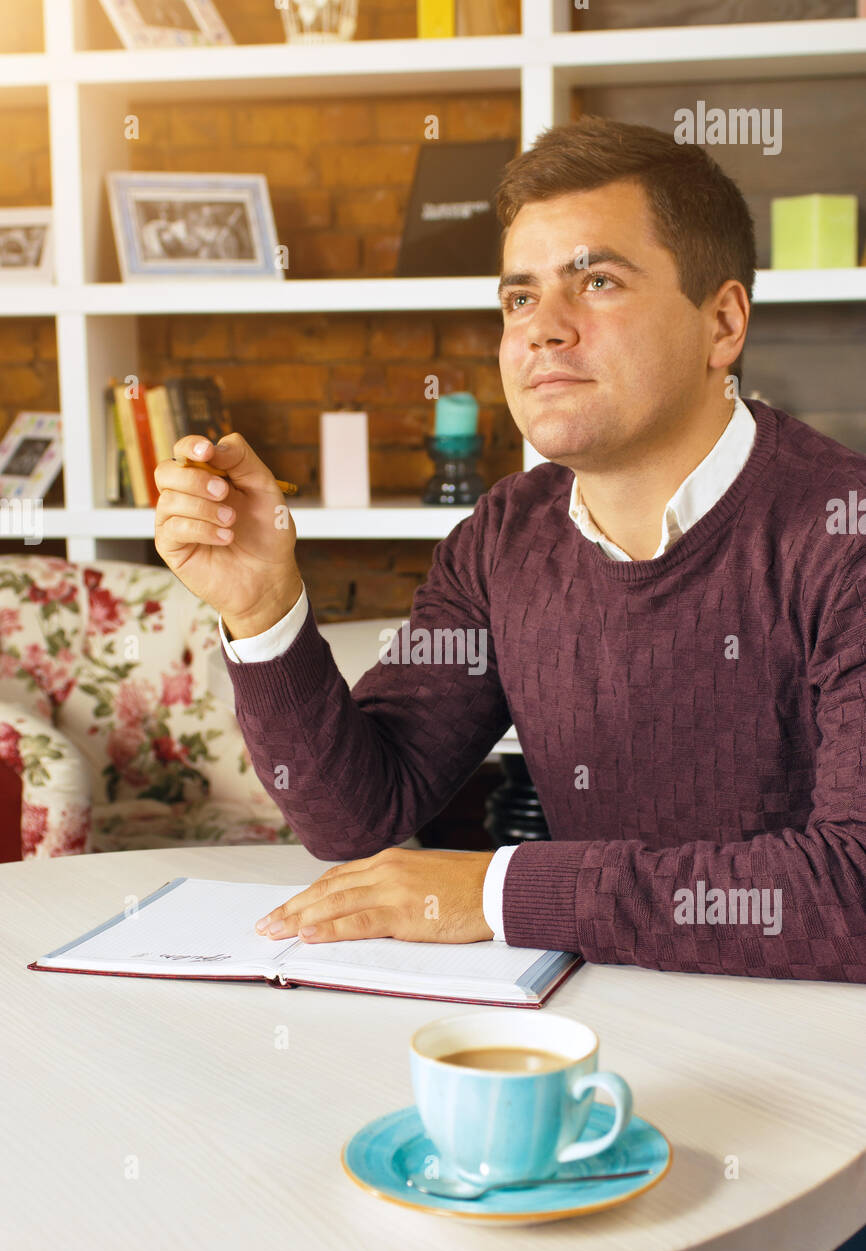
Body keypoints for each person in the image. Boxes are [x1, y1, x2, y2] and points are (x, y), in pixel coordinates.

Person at [153, 114, 866, 984]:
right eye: (519, 297)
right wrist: (262, 610)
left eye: (596, 281)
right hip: (601, 1018)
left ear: (722, 325)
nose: (542, 330)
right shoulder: (502, 536)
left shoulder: (844, 534)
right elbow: (359, 814)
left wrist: (497, 892)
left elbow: (852, 892)